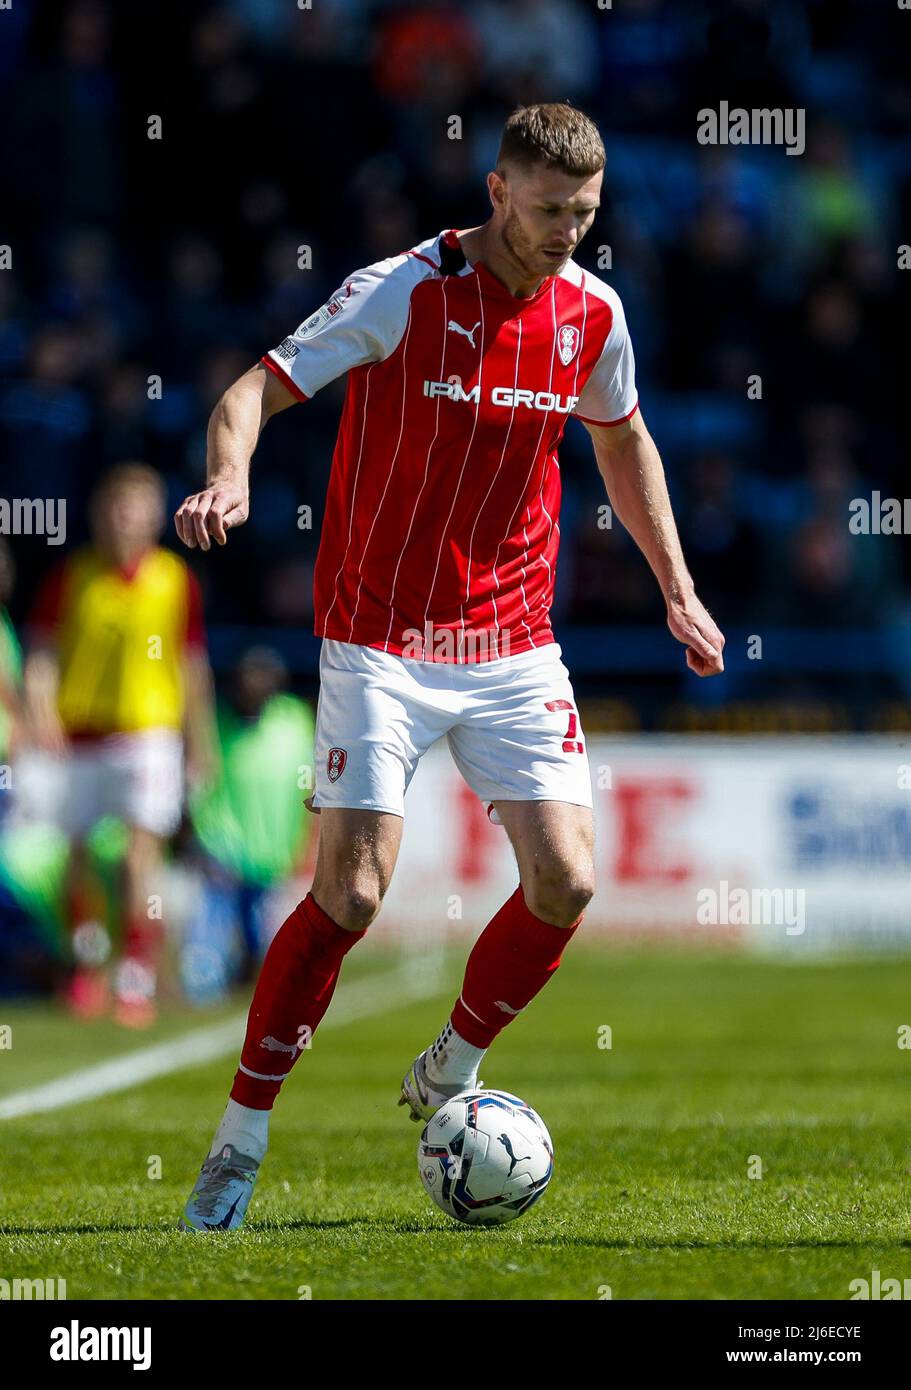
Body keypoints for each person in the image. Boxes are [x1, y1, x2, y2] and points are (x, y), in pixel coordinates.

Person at [174, 102, 724, 1232]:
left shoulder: (592, 312)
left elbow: (620, 439)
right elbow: (253, 389)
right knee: (352, 892)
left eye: (585, 212)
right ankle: (240, 1134)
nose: (568, 231)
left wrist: (675, 585)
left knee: (566, 881)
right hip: (378, 638)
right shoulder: (401, 289)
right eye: (548, 210)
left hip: (514, 642)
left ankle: (452, 1060)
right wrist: (230, 476)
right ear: (496, 191)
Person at [23, 463, 217, 1027]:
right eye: (114, 507)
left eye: (134, 508)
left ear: (154, 516)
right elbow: (41, 651)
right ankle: (85, 963)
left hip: (146, 735)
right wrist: (40, 713)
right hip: (77, 733)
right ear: (98, 514)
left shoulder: (175, 579)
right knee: (76, 855)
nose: (122, 519)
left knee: (140, 852)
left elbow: (191, 666)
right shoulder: (72, 575)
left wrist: (197, 742)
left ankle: (135, 973)